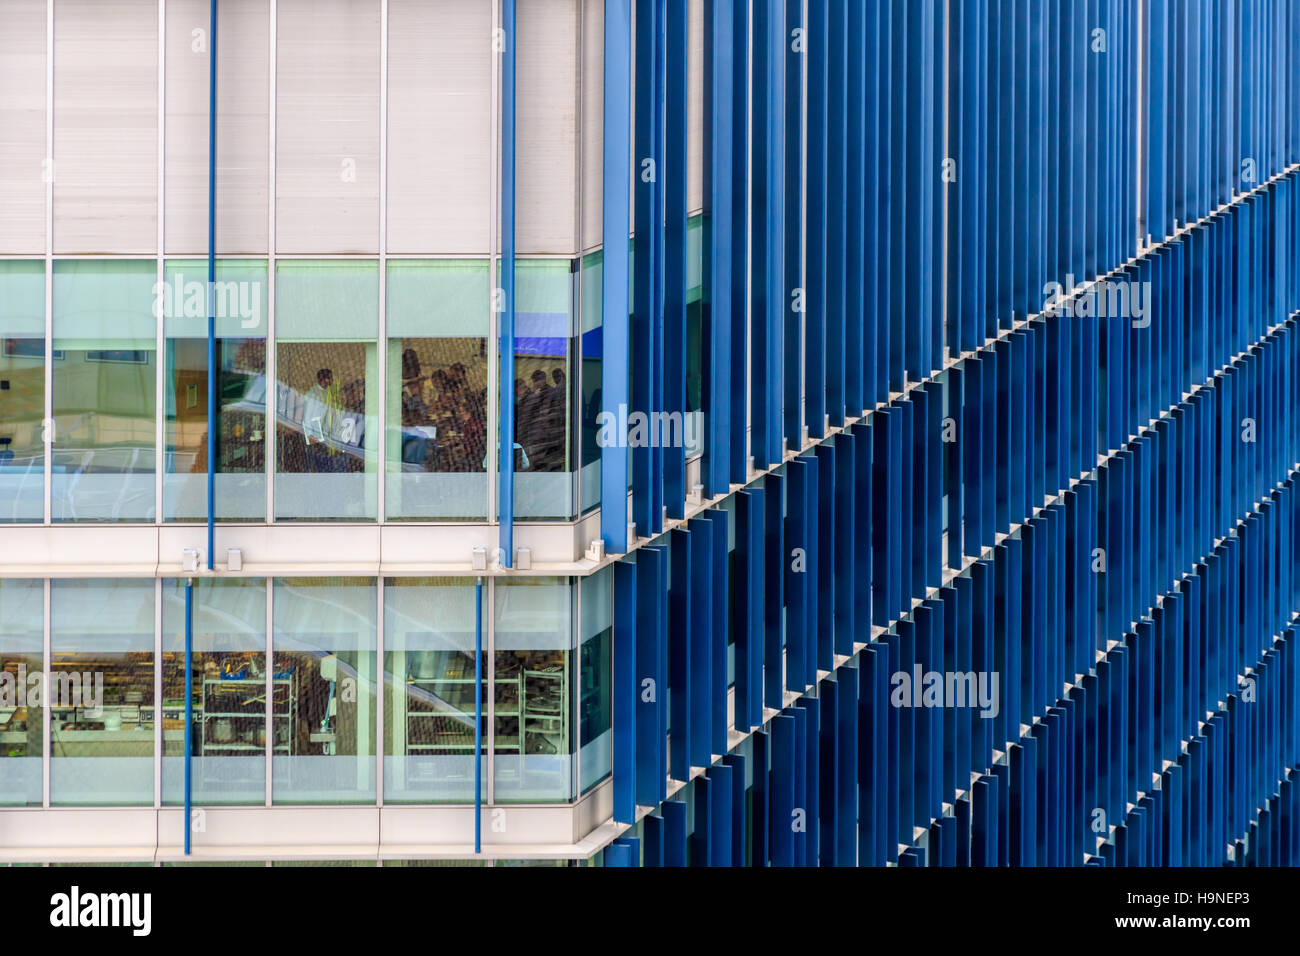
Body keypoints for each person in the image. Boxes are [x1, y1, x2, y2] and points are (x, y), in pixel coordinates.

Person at [302, 368, 343, 473]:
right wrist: (309, 435)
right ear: (324, 379)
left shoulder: (326, 393)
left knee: (323, 463)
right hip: (314, 435)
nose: (332, 381)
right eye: (330, 378)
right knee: (314, 465)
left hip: (323, 434)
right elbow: (307, 417)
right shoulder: (313, 394)